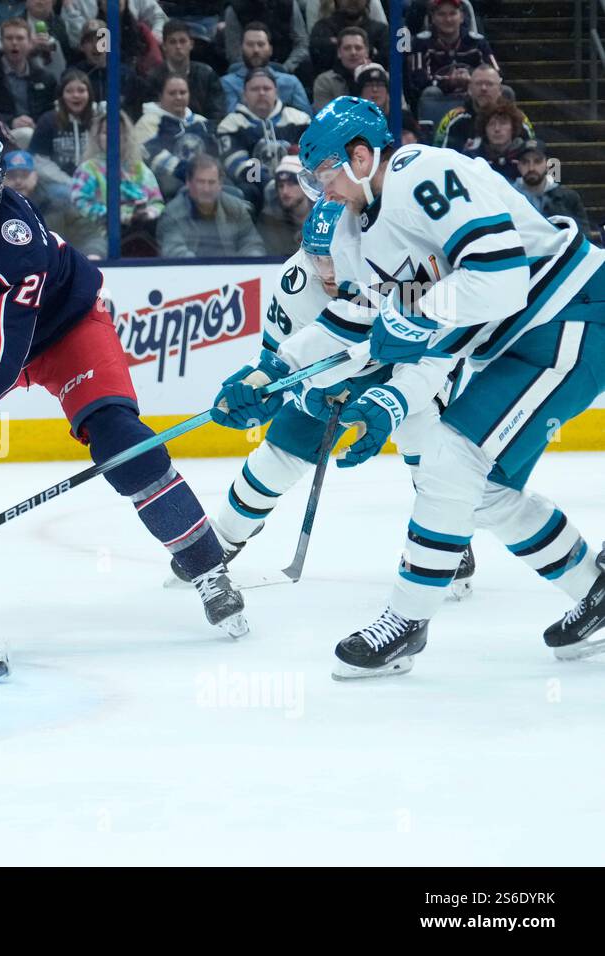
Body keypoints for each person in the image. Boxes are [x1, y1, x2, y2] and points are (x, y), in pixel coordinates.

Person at [228, 95, 605, 676]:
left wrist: (416, 318)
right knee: (483, 492)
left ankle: (407, 621)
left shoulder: (420, 172)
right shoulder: (355, 231)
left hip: (570, 311)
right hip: (517, 341)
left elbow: (500, 277)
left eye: (323, 171)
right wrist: (272, 371)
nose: (319, 189)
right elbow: (360, 321)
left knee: (451, 462)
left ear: (359, 155)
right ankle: (595, 589)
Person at [0, 128, 248, 637]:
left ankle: (209, 571)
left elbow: (5, 350)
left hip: (65, 330)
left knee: (123, 444)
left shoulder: (17, 240)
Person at [198, 197, 476, 597]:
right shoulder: (292, 287)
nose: (328, 272)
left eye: (334, 257)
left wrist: (390, 398)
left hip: (401, 366)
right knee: (278, 458)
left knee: (422, 430)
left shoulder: (398, 264)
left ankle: (448, 538)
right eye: (316, 258)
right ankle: (220, 541)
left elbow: (431, 360)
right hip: (325, 381)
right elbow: (280, 365)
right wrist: (306, 396)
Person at [70, 110, 165, 257]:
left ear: (126, 137)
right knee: (94, 254)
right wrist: (118, 216)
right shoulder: (88, 169)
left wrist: (148, 213)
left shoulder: (139, 168)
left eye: (118, 132)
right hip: (101, 232)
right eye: (106, 132)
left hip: (140, 231)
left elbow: (157, 202)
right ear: (97, 137)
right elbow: (80, 203)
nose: (112, 137)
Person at [217, 68, 312, 209]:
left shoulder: (300, 119)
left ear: (276, 92)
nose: (261, 93)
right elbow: (237, 164)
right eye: (255, 89)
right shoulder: (231, 124)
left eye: (266, 88)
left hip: (297, 182)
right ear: (244, 95)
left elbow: (312, 156)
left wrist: (288, 180)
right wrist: (270, 183)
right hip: (256, 188)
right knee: (246, 190)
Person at [156, 153, 267, 258]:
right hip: (191, 275)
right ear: (188, 183)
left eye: (211, 182)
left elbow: (252, 243)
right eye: (201, 182)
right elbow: (174, 253)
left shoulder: (236, 208)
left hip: (234, 274)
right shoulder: (172, 214)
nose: (206, 189)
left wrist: (247, 263)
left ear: (220, 184)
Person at [0, 17, 56, 132]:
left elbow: (52, 112)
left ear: (30, 42)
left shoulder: (45, 78)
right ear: (1, 41)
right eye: (9, 38)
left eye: (20, 38)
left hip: (37, 133)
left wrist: (37, 124)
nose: (14, 43)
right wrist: (10, 122)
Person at [221, 22, 313, 115]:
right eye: (250, 44)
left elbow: (307, 120)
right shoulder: (227, 83)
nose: (256, 50)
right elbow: (229, 120)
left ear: (270, 50)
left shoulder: (291, 83)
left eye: (261, 44)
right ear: (241, 49)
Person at [28, 69, 95, 177]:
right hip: (56, 181)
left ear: (89, 94)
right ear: (61, 95)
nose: (76, 95)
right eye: (69, 91)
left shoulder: (99, 120)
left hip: (92, 181)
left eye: (81, 90)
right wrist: (69, 183)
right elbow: (39, 161)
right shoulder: (47, 120)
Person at [514, 139, 589, 236]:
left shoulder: (568, 197)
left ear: (547, 164)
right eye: (525, 162)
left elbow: (584, 236)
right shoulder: (509, 196)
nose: (531, 168)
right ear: (518, 165)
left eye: (537, 161)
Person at [256, 153, 311, 254]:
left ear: (305, 185)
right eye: (280, 186)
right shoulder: (270, 219)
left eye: (291, 184)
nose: (285, 191)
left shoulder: (323, 213)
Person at [463, 99, 527, 182]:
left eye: (503, 123)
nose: (497, 129)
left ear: (513, 127)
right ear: (484, 129)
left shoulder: (526, 156)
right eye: (491, 124)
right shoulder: (472, 157)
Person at [312, 26, 372, 111]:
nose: (353, 52)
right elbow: (326, 118)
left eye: (358, 48)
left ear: (367, 52)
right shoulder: (325, 81)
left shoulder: (382, 79)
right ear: (339, 52)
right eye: (347, 48)